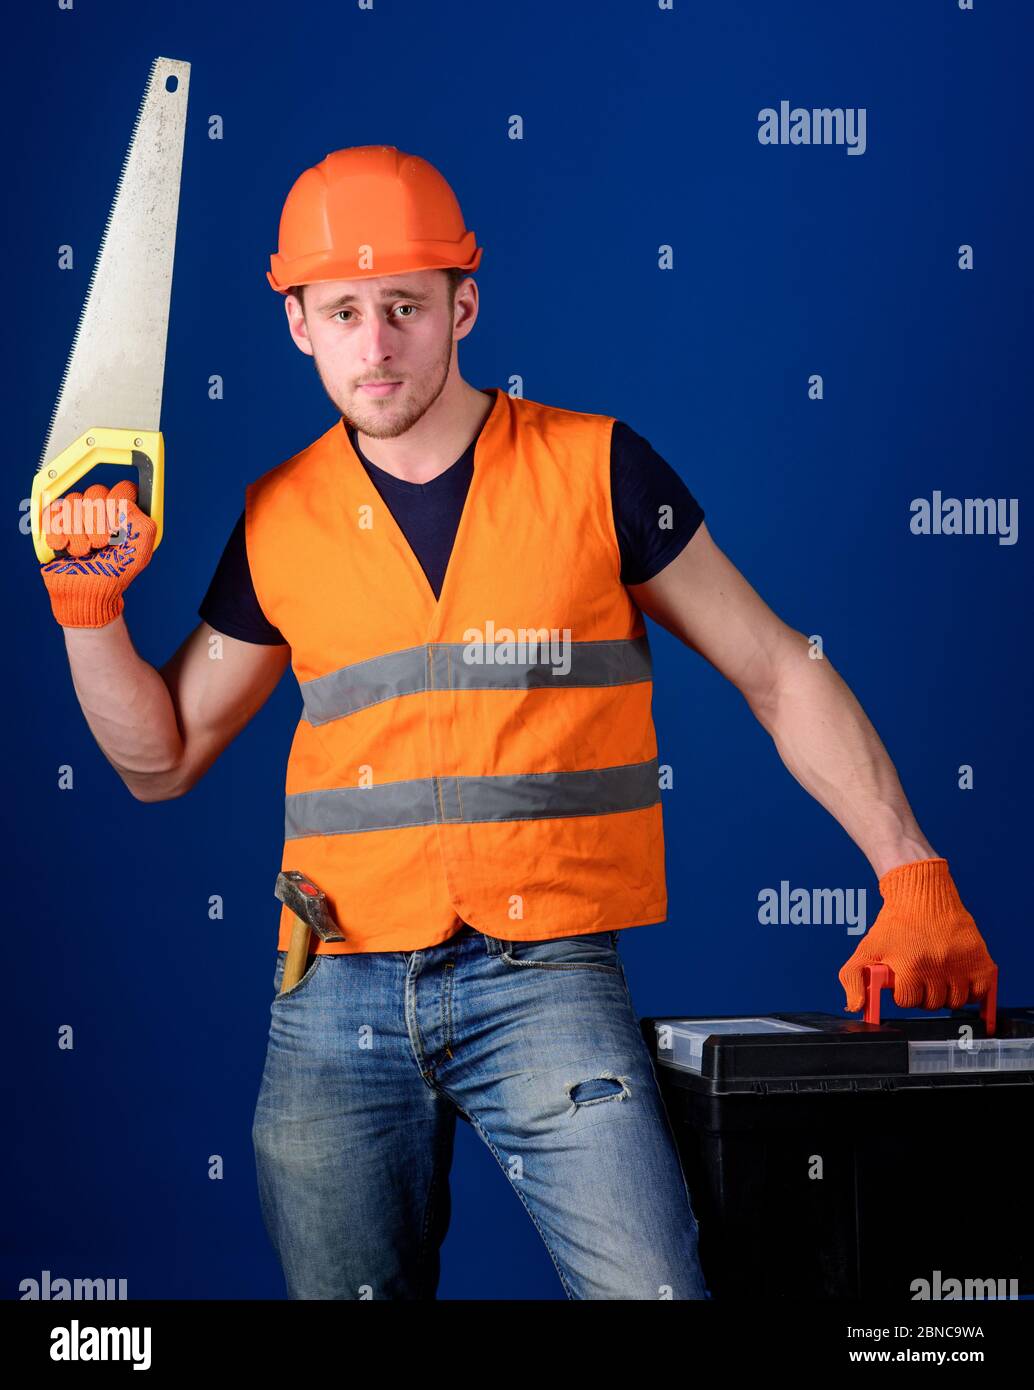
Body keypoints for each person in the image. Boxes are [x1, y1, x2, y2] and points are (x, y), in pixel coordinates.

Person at [37, 145, 997, 1301]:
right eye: (341, 311)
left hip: (540, 979)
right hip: (332, 989)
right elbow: (163, 761)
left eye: (403, 306)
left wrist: (908, 868)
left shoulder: (595, 468)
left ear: (463, 305)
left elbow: (775, 667)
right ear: (296, 322)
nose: (375, 343)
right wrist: (87, 608)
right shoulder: (276, 519)